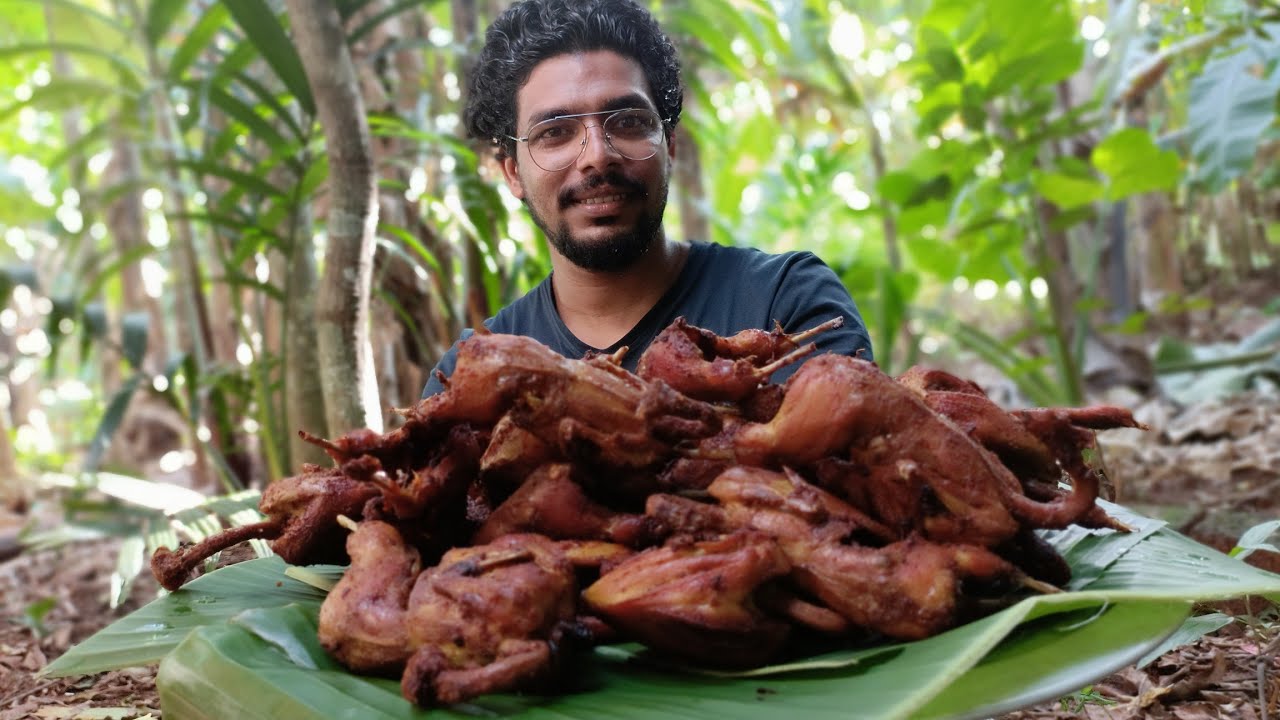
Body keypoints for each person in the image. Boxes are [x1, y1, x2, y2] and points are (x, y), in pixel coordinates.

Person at [422, 0, 871, 396]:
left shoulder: (784, 302)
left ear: (669, 145)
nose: (597, 156)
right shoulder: (470, 374)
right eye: (555, 132)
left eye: (629, 121)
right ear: (514, 172)